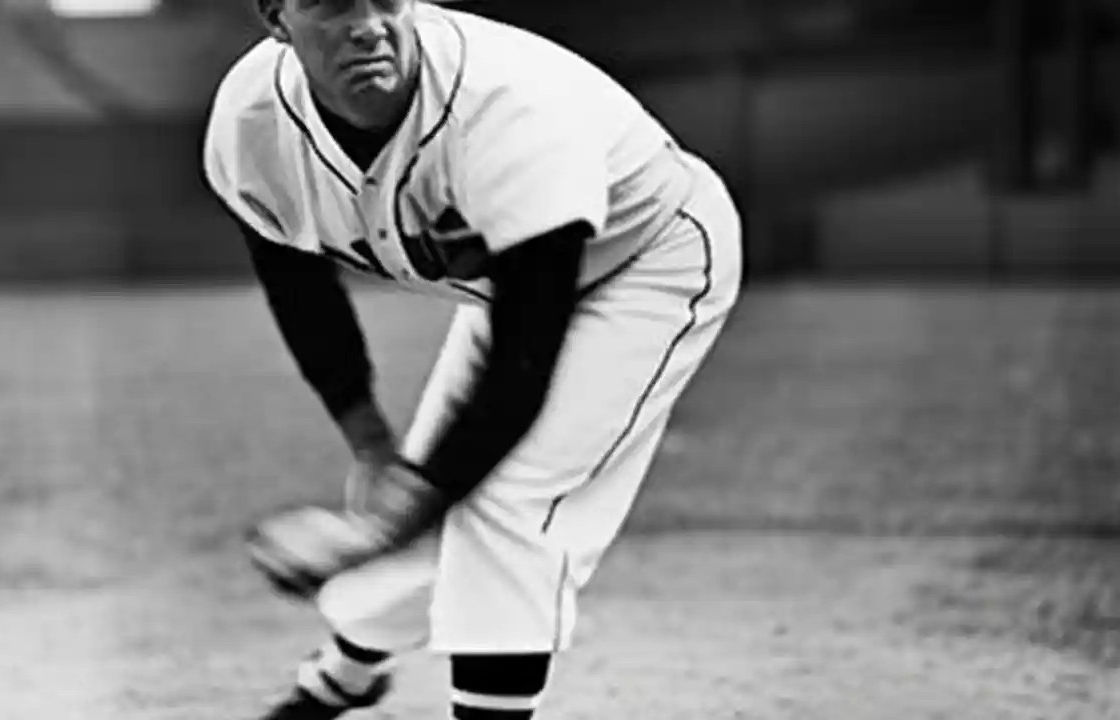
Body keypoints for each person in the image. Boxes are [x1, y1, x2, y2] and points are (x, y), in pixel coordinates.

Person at [202, 1, 743, 717]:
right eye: (332, 3)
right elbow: (298, 284)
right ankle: (342, 677)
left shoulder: (505, 105)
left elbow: (524, 357)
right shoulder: (254, 119)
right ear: (276, 17)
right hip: (513, 288)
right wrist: (370, 444)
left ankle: (362, 687)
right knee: (429, 486)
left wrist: (389, 521)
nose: (367, 24)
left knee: (506, 503)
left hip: (650, 258)